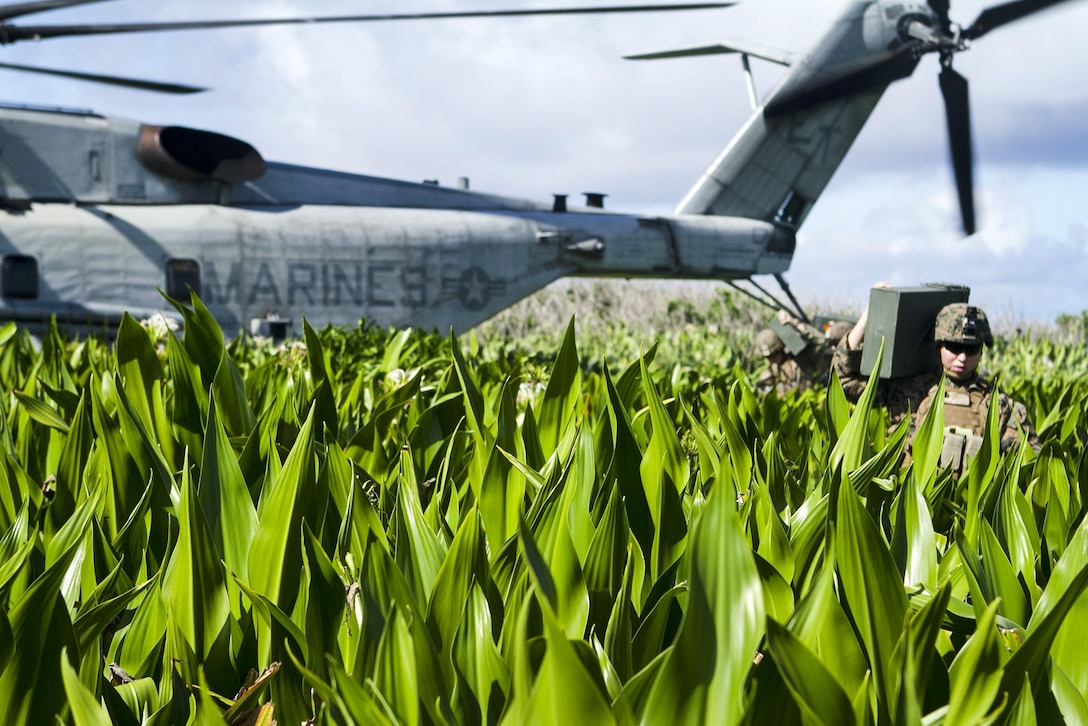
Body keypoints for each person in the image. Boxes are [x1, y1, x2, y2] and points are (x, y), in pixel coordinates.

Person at [832, 293, 1040, 473]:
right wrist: (871, 312)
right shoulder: (908, 390)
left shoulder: (999, 405)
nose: (962, 357)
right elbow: (845, 381)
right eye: (954, 347)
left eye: (971, 349)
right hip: (910, 502)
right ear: (938, 345)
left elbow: (1031, 462)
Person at [754, 309, 833, 393]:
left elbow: (821, 341)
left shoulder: (802, 359)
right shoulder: (774, 370)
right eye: (768, 357)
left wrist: (795, 324)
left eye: (775, 354)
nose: (772, 359)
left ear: (781, 348)